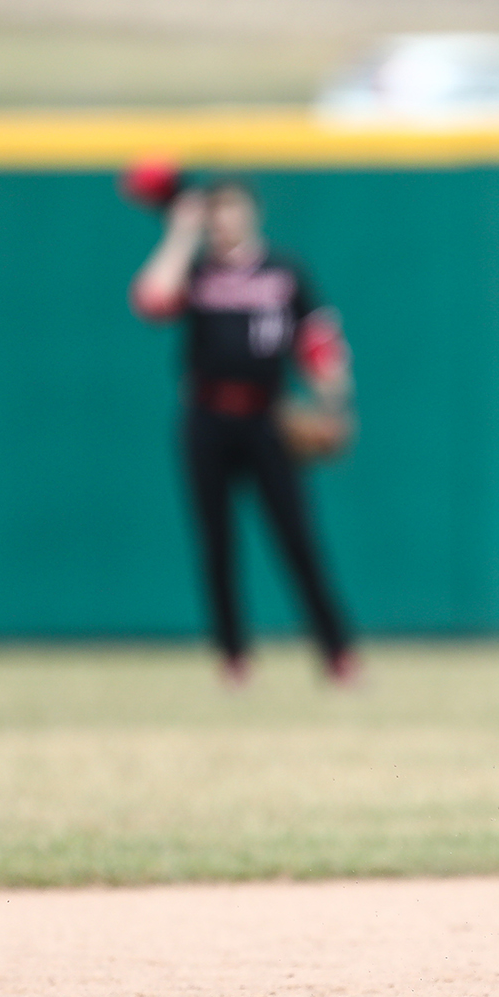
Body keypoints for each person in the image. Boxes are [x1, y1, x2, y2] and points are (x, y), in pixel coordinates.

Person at [130, 178, 357, 688]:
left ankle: (337, 653)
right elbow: (150, 301)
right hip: (207, 417)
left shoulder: (283, 270)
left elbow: (318, 342)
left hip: (268, 418)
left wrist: (333, 402)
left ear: (252, 213)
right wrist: (180, 234)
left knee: (297, 539)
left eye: (231, 209)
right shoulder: (194, 268)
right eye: (216, 211)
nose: (223, 219)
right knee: (216, 542)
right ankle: (233, 658)